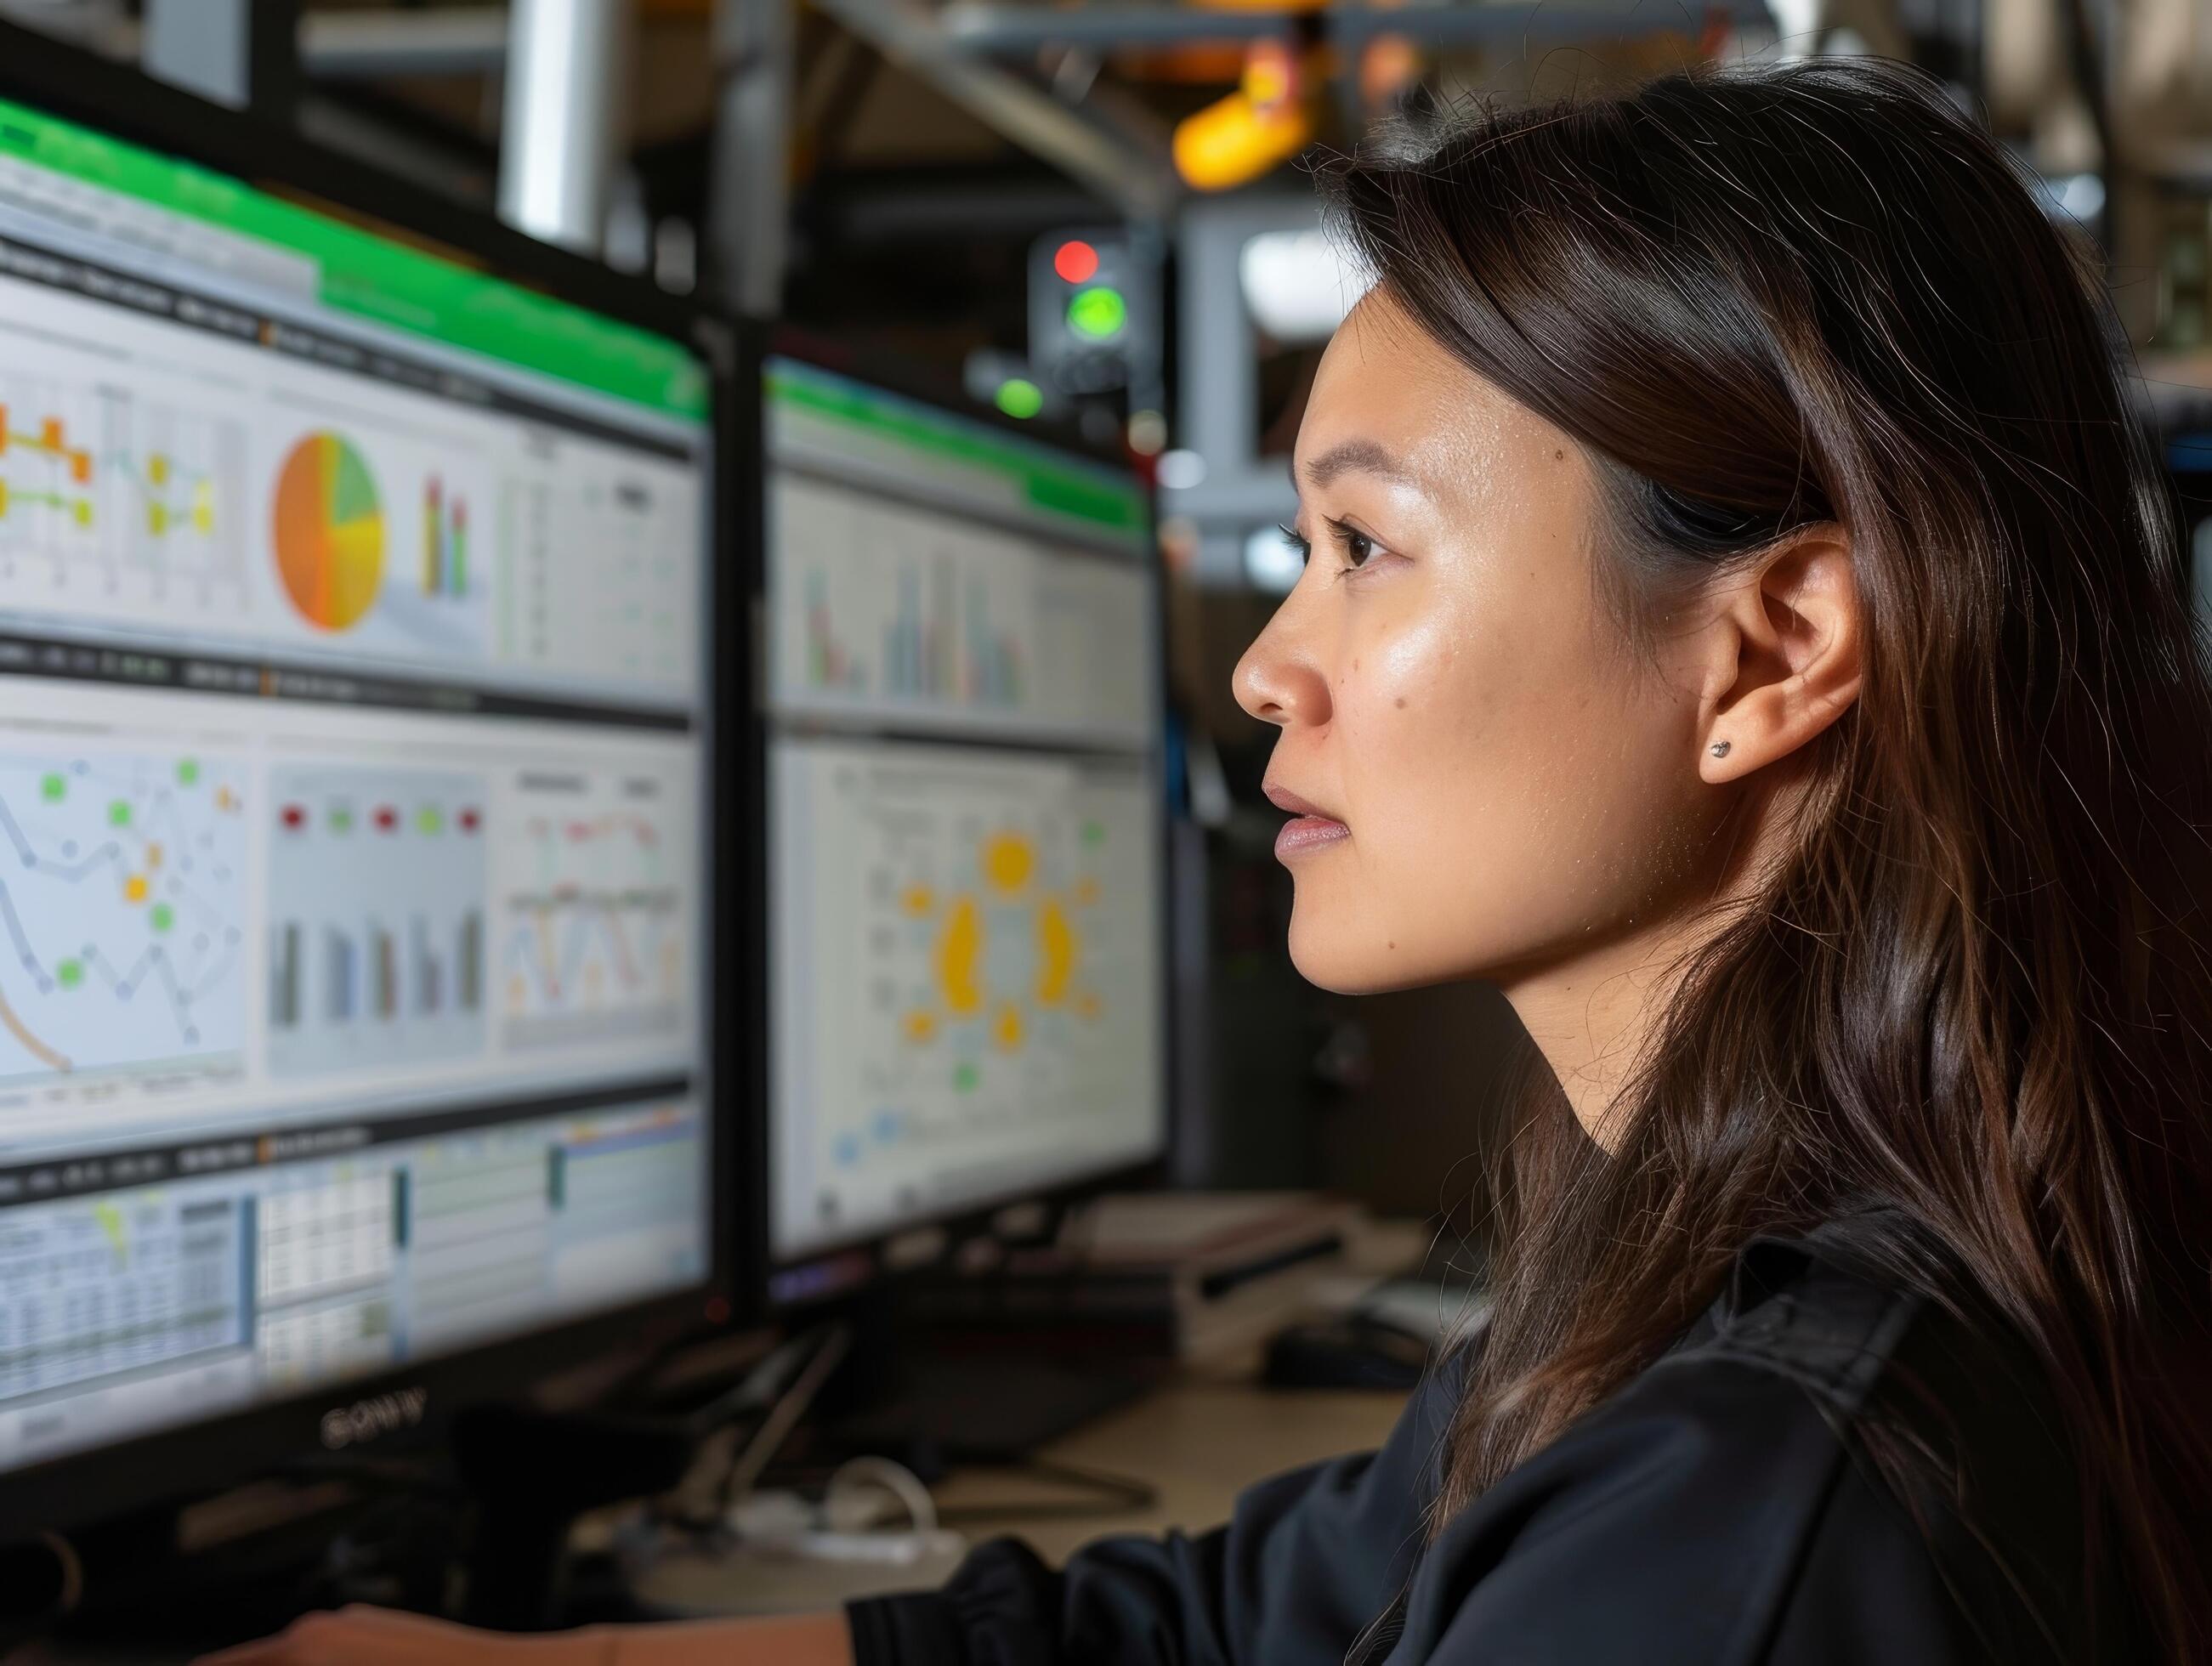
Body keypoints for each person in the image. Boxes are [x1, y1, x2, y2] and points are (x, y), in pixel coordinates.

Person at [205, 50, 2212, 1666]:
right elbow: (1250, 1613)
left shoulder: (1739, 1513)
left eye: (1361, 548)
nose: (1262, 665)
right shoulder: (1714, 1261)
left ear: (1770, 648)